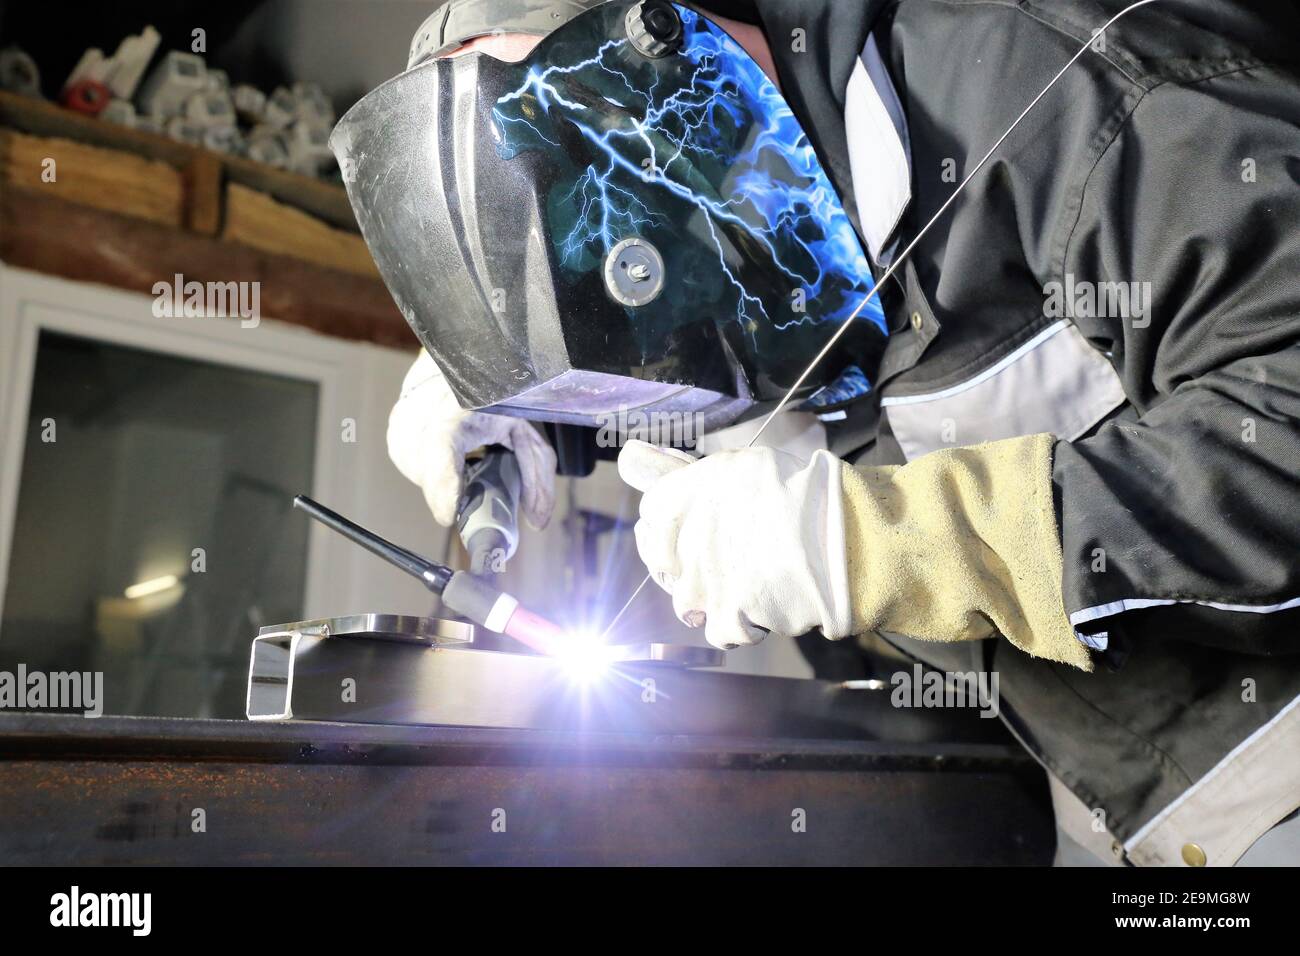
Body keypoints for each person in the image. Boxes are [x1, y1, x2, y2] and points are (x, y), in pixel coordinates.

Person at [336, 0, 1300, 866]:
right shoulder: (750, 218)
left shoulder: (1051, 85)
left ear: (675, 42)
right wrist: (519, 394)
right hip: (1127, 810)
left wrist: (880, 544)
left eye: (593, 162)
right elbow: (731, 376)